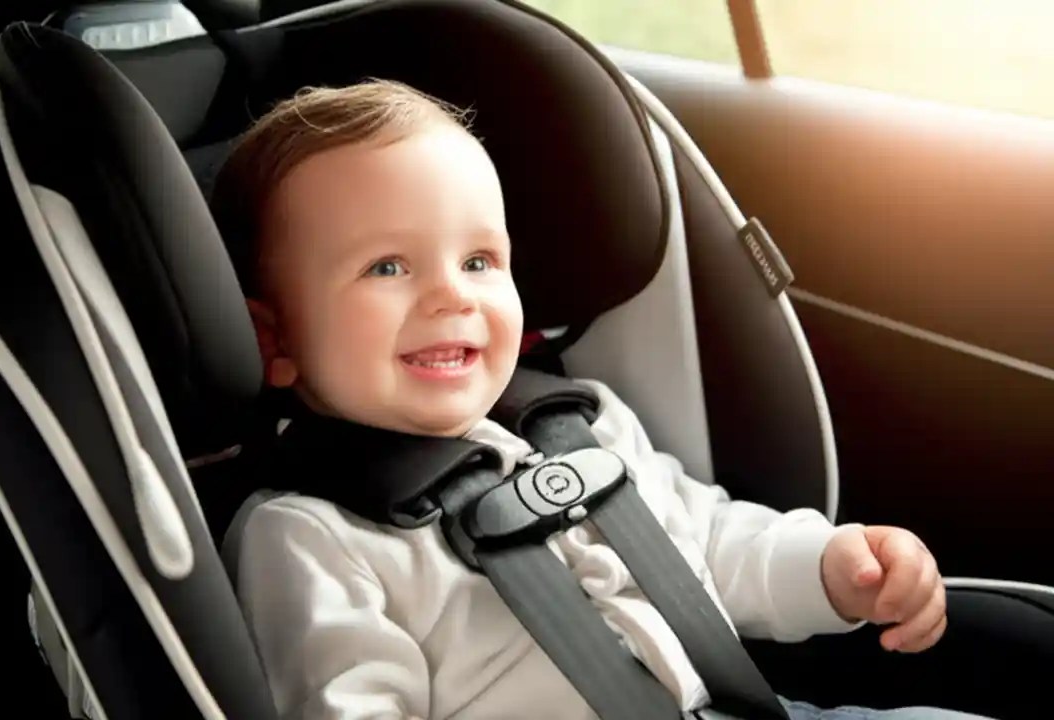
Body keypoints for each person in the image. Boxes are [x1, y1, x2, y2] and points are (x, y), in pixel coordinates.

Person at [209, 79, 988, 720]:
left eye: (479, 259)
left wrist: (830, 568)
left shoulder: (577, 427)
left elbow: (709, 547)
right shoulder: (307, 537)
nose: (452, 294)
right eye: (387, 267)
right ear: (274, 341)